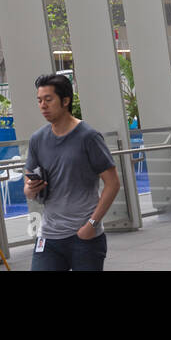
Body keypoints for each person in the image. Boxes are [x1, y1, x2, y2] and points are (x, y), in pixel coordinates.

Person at [24, 73, 121, 271]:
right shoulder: (37, 139)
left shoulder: (89, 137)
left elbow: (113, 184)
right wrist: (31, 188)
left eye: (49, 99)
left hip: (84, 237)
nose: (43, 105)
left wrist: (92, 224)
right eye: (40, 100)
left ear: (66, 100)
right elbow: (28, 191)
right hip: (49, 236)